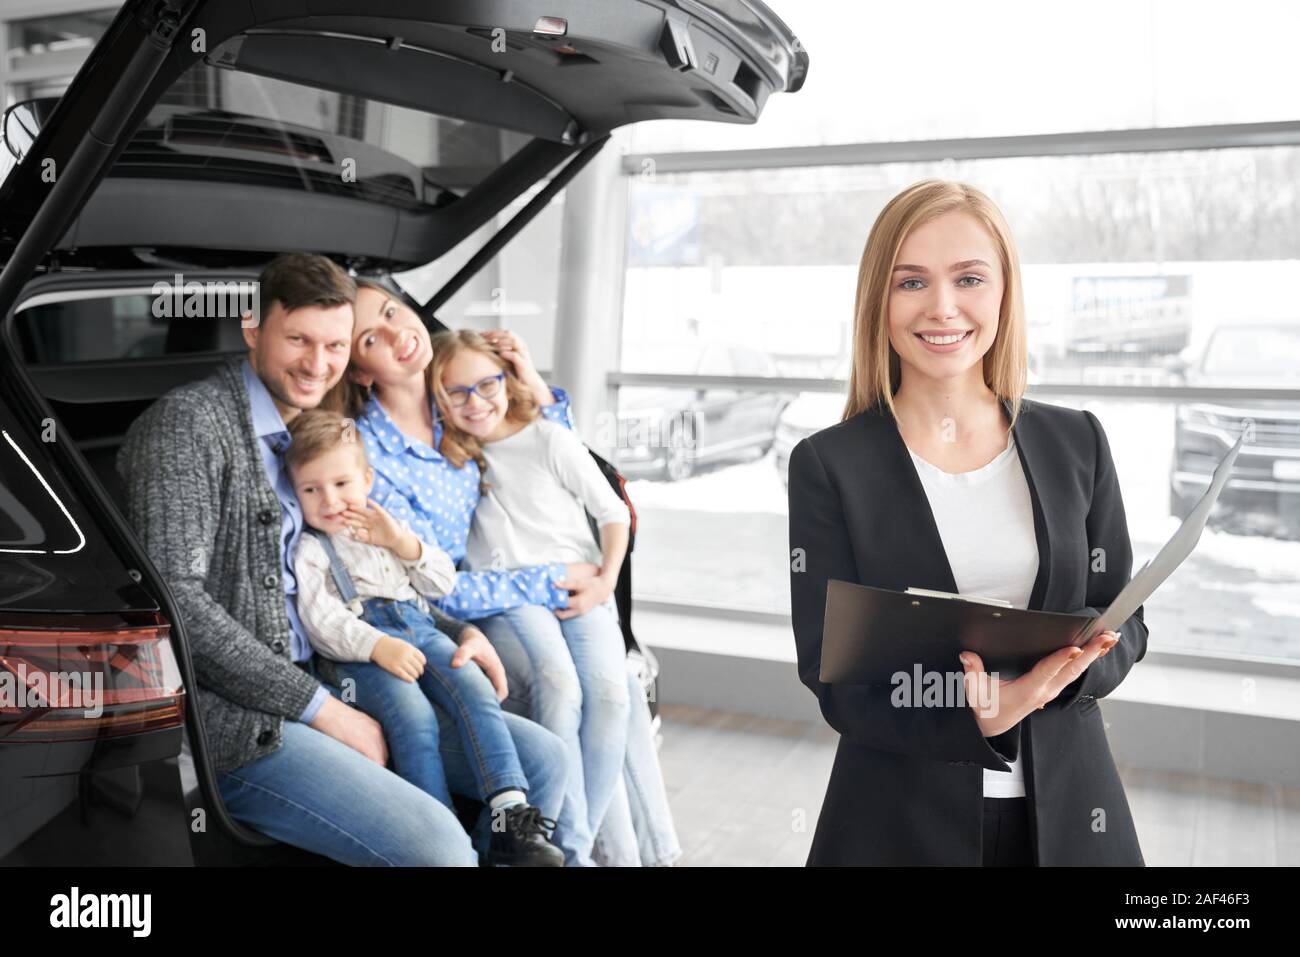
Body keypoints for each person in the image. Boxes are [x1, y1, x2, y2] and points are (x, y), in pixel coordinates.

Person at [118, 253, 567, 866]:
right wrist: (322, 710)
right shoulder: (188, 427)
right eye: (297, 339)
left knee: (545, 763)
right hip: (243, 723)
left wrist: (455, 631)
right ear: (253, 328)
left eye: (334, 346)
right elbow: (177, 603)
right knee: (438, 848)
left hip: (345, 673)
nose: (317, 363)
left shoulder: (320, 430)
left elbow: (356, 576)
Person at [788, 180, 1147, 866]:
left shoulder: (1078, 442)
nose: (942, 307)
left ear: (1004, 291)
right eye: (912, 280)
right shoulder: (830, 465)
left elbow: (1126, 619)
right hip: (900, 826)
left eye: (970, 278)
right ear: (879, 300)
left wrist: (1068, 671)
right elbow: (833, 677)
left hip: (1073, 819)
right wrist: (980, 713)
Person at [337, 280, 681, 866]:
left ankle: (642, 857)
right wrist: (547, 578)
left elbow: (544, 455)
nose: (398, 334)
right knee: (570, 686)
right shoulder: (371, 455)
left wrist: (535, 385)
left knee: (617, 684)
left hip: (527, 592)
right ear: (360, 369)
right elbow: (429, 581)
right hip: (456, 614)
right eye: (372, 335)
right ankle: (578, 853)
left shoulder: (453, 404)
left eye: (395, 312)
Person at [285, 408, 564, 865]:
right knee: (413, 715)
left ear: (368, 479)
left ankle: (508, 815)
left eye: (341, 484)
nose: (330, 500)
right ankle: (440, 828)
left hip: (418, 625)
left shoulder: (388, 528)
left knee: (473, 687)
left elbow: (442, 585)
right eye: (311, 490)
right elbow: (321, 622)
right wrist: (377, 646)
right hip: (363, 651)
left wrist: (402, 544)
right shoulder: (310, 549)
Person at [429, 329, 635, 866]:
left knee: (613, 697)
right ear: (438, 397)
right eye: (457, 391)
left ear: (507, 379)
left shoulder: (547, 438)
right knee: (559, 686)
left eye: (486, 384)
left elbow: (612, 511)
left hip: (580, 584)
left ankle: (580, 844)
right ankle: (569, 847)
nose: (475, 402)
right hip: (516, 594)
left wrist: (605, 579)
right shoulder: (453, 460)